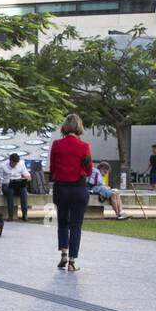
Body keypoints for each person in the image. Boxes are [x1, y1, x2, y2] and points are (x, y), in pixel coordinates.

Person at [49, 113, 92, 272]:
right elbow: (88, 171)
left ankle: (64, 254)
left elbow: (52, 168)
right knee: (76, 224)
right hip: (79, 188)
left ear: (65, 126)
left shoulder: (57, 144)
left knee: (62, 222)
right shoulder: (84, 146)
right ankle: (72, 261)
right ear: (80, 127)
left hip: (61, 188)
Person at [0, 152, 31, 221]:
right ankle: (11, 215)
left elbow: (28, 176)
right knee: (10, 191)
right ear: (10, 161)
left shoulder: (21, 164)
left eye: (16, 163)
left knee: (23, 191)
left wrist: (26, 179)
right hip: (7, 185)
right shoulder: (3, 165)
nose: (14, 165)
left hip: (18, 185)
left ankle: (25, 215)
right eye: (13, 163)